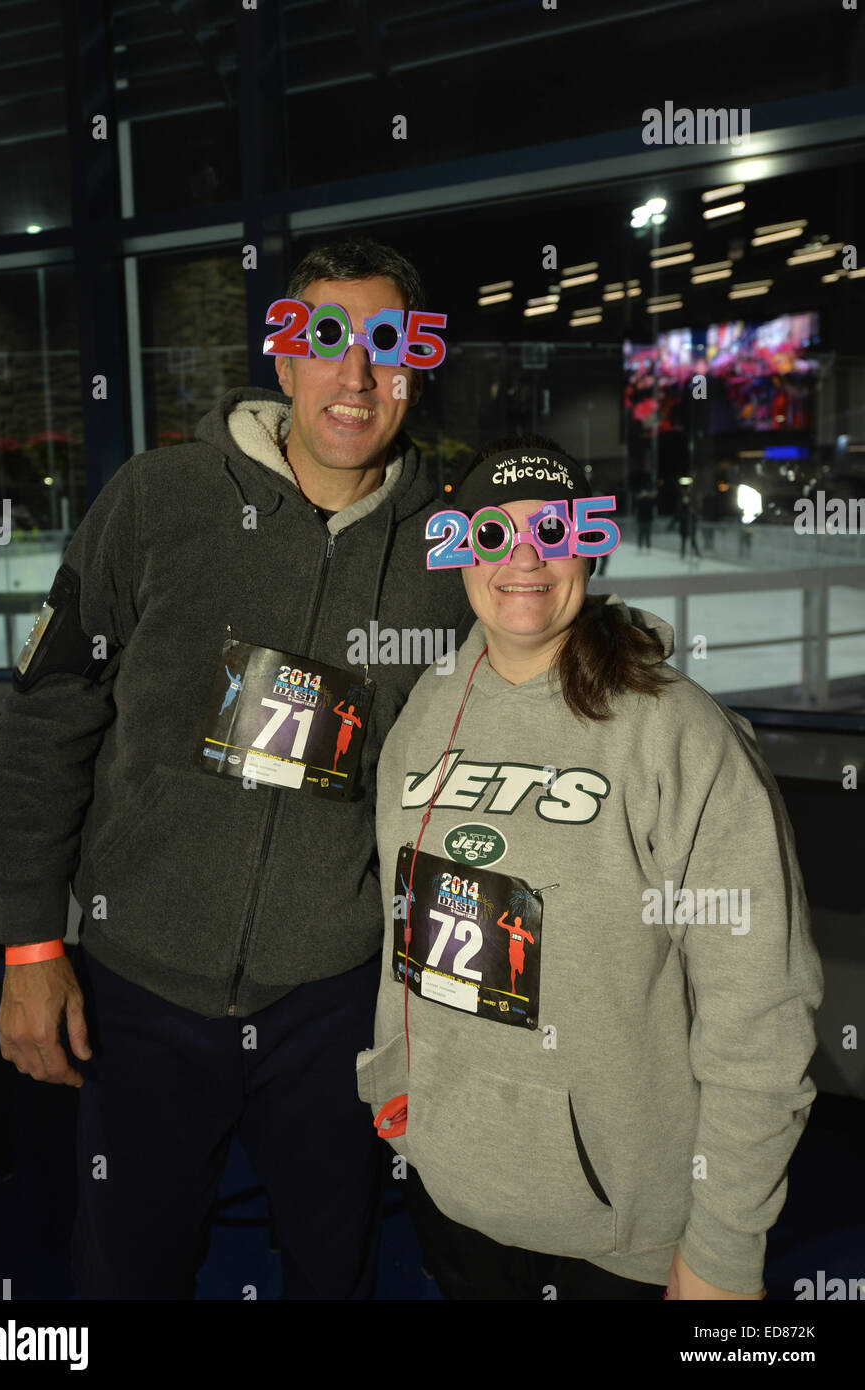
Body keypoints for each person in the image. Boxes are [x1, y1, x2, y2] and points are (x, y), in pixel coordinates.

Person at [0, 236, 472, 1300]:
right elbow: (46, 717)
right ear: (282, 358)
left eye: (387, 343)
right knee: (128, 1271)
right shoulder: (158, 499)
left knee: (332, 1268)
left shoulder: (451, 549)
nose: (356, 373)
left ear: (416, 366)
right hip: (142, 980)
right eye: (325, 338)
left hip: (333, 997)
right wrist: (26, 942)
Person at [358, 433, 822, 1301]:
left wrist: (723, 1248)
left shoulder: (677, 731)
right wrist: (394, 1084)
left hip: (618, 1233)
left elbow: (760, 1009)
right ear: (461, 550)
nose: (524, 559)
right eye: (494, 534)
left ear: (592, 542)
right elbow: (407, 931)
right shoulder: (428, 710)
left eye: (555, 531)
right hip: (454, 1193)